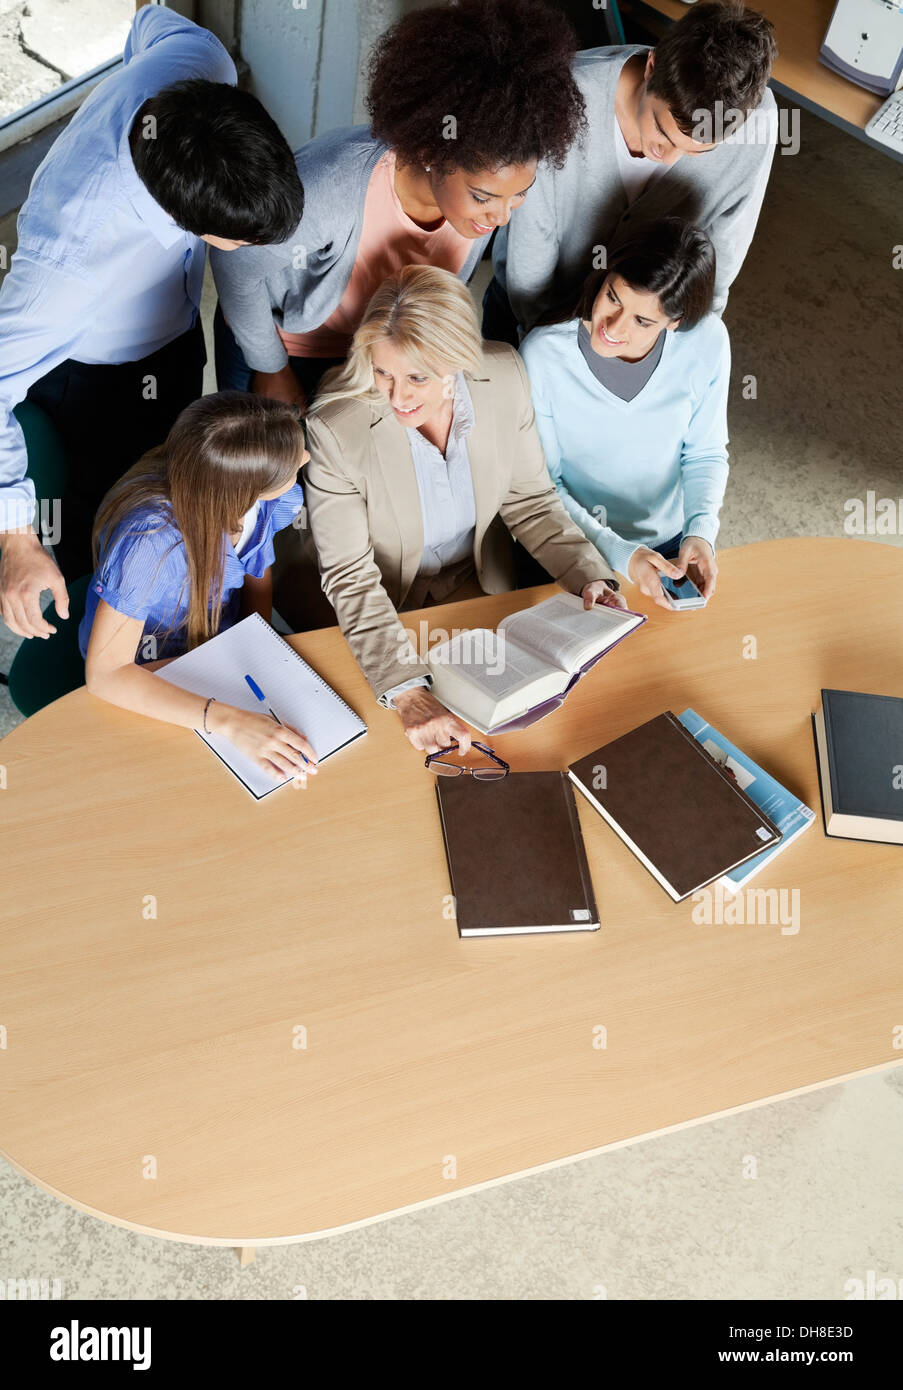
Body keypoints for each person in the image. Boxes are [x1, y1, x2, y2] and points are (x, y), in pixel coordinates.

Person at [0, 5, 303, 639]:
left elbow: (149, 22)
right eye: (242, 243)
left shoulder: (199, 61)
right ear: (190, 221)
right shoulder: (70, 263)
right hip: (91, 383)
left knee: (191, 499)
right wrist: (15, 539)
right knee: (112, 543)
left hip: (171, 342)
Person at [297, 265, 625, 755]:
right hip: (380, 608)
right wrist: (405, 690)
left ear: (457, 363)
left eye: (417, 377)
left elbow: (531, 501)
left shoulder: (506, 375)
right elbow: (349, 575)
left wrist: (588, 577)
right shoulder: (334, 428)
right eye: (382, 371)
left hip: (475, 585)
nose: (396, 396)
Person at [210, 0, 586, 410]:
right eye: (483, 198)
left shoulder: (485, 191)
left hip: (370, 353)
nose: (500, 217)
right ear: (430, 151)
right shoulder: (330, 185)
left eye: (519, 195)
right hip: (281, 342)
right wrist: (271, 368)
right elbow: (236, 266)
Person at [486, 0, 778, 341]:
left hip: (641, 329)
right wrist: (544, 345)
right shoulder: (562, 94)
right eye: (662, 131)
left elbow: (721, 254)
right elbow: (530, 254)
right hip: (529, 309)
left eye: (696, 151)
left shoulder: (756, 129)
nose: (669, 159)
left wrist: (688, 340)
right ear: (651, 67)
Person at [79, 393, 317, 783]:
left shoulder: (279, 497)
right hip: (145, 670)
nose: (305, 460)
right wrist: (232, 722)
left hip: (216, 646)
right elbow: (107, 673)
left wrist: (259, 643)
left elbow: (258, 565)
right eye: (293, 464)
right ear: (242, 489)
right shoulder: (149, 540)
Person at [520, 218, 729, 610]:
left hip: (670, 547)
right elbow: (543, 486)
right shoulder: (544, 354)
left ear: (675, 322)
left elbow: (705, 453)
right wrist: (620, 554)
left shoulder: (708, 342)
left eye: (643, 320)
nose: (613, 327)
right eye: (613, 297)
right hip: (575, 548)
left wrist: (700, 531)